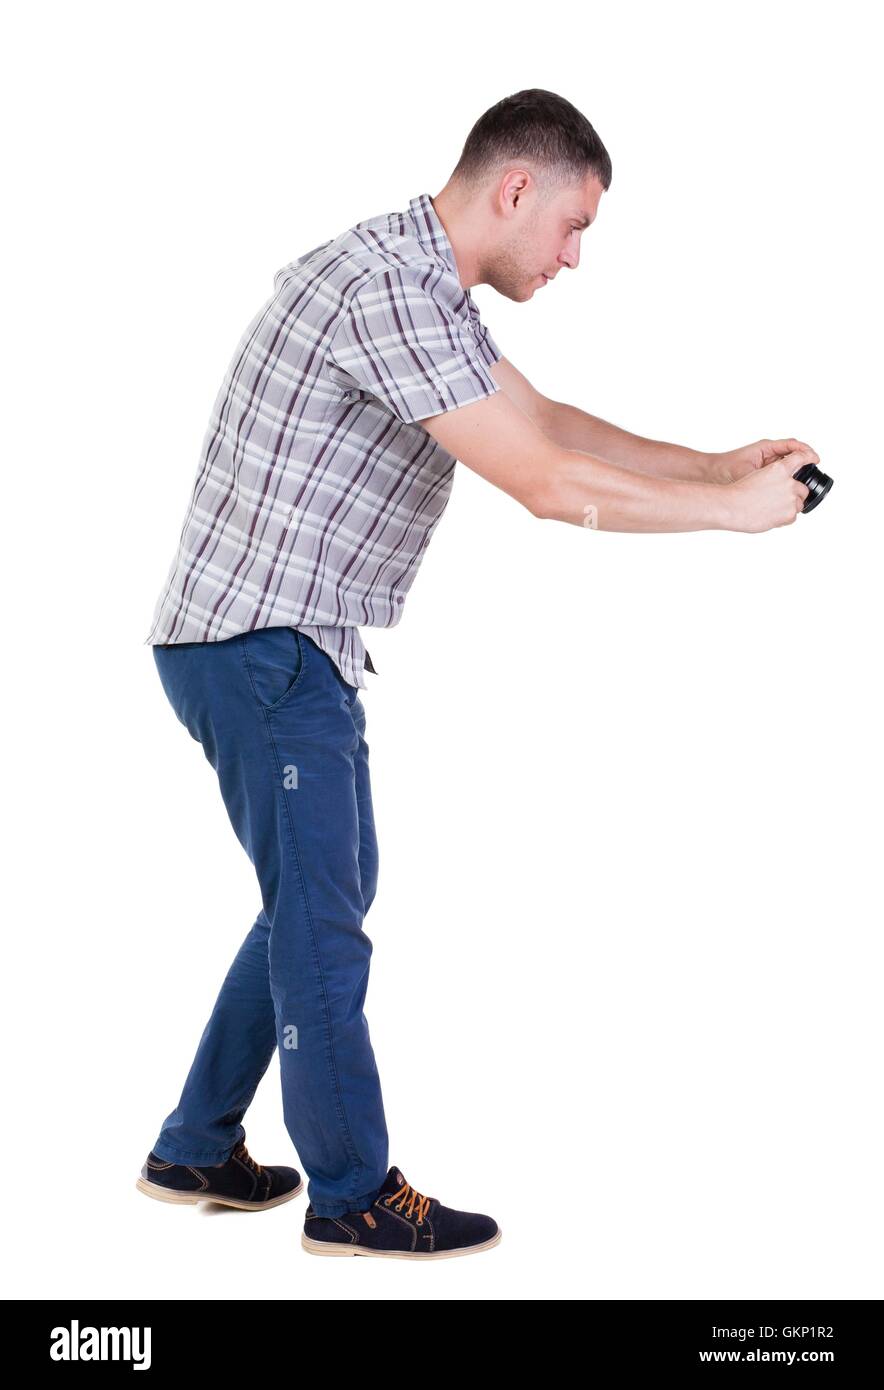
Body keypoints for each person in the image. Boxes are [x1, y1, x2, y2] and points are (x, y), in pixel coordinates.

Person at [137, 87, 817, 1260]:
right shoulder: (387, 289)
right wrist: (727, 521)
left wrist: (716, 467)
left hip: (274, 644)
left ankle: (194, 1144)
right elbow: (546, 488)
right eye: (572, 226)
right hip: (263, 646)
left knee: (319, 900)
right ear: (515, 190)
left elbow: (543, 421)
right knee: (323, 922)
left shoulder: (416, 285)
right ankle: (351, 1194)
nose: (572, 256)